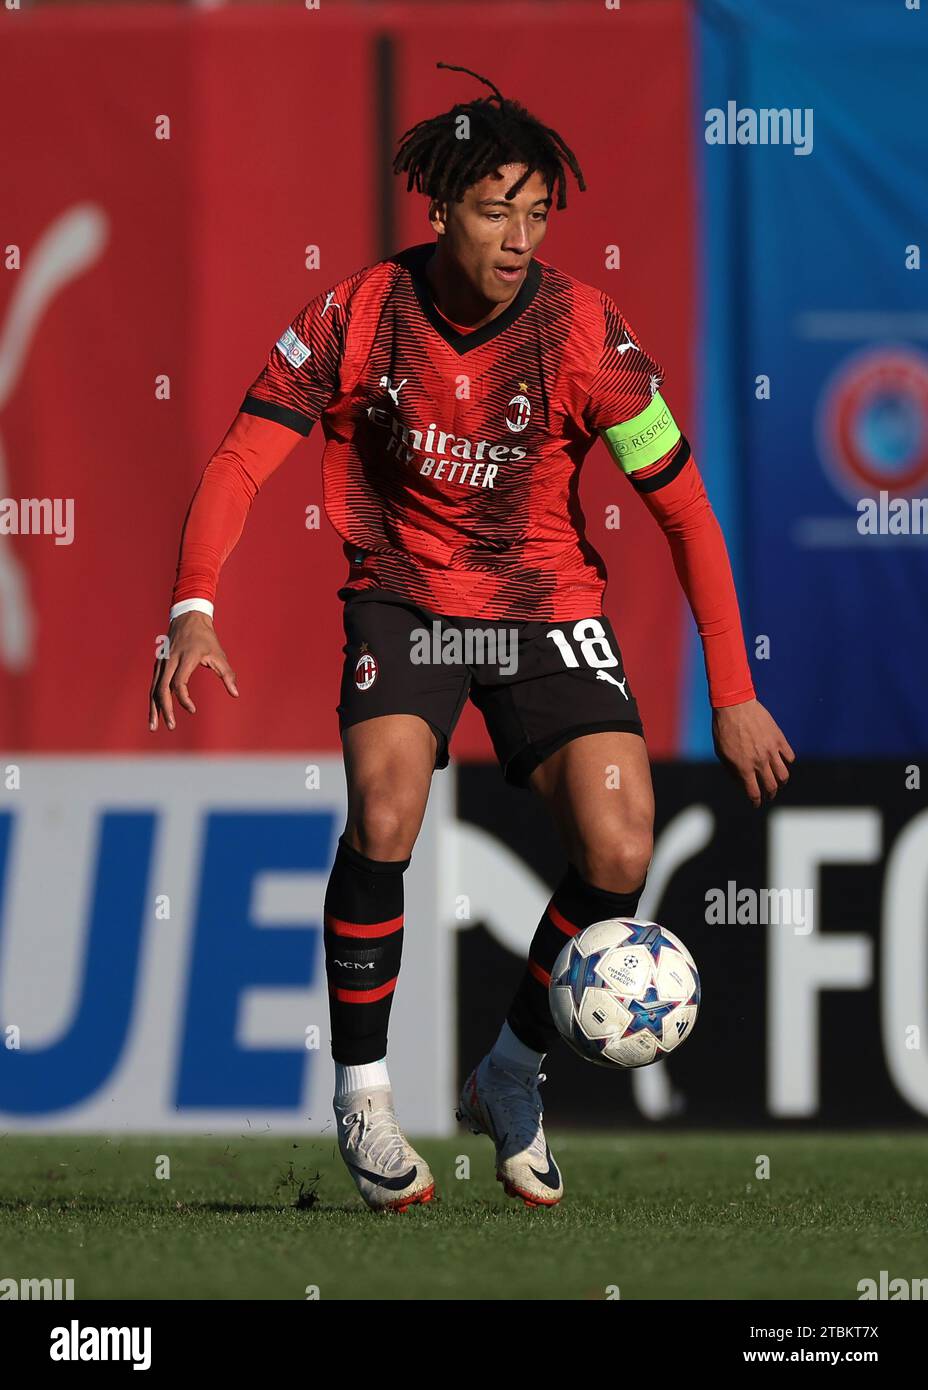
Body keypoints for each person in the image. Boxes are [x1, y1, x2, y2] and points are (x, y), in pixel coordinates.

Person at [149, 64, 794, 1211]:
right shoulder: (353, 316)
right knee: (386, 805)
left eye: (537, 213)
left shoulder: (587, 335)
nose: (518, 236)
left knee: (620, 846)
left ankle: (508, 1072)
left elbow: (686, 511)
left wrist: (734, 688)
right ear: (439, 208)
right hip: (405, 601)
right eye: (496, 208)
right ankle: (363, 1093)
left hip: (547, 612)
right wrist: (193, 607)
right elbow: (242, 460)